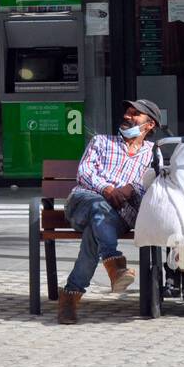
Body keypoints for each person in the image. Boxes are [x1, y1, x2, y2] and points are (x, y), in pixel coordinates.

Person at [59, 98, 161, 324]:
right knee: (98, 206)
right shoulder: (101, 141)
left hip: (119, 214)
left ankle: (70, 296)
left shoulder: (155, 154)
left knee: (96, 228)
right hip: (82, 203)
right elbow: (84, 173)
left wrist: (128, 189)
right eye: (127, 112)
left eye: (135, 114)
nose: (127, 116)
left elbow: (152, 185)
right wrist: (106, 188)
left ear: (149, 125)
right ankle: (113, 263)